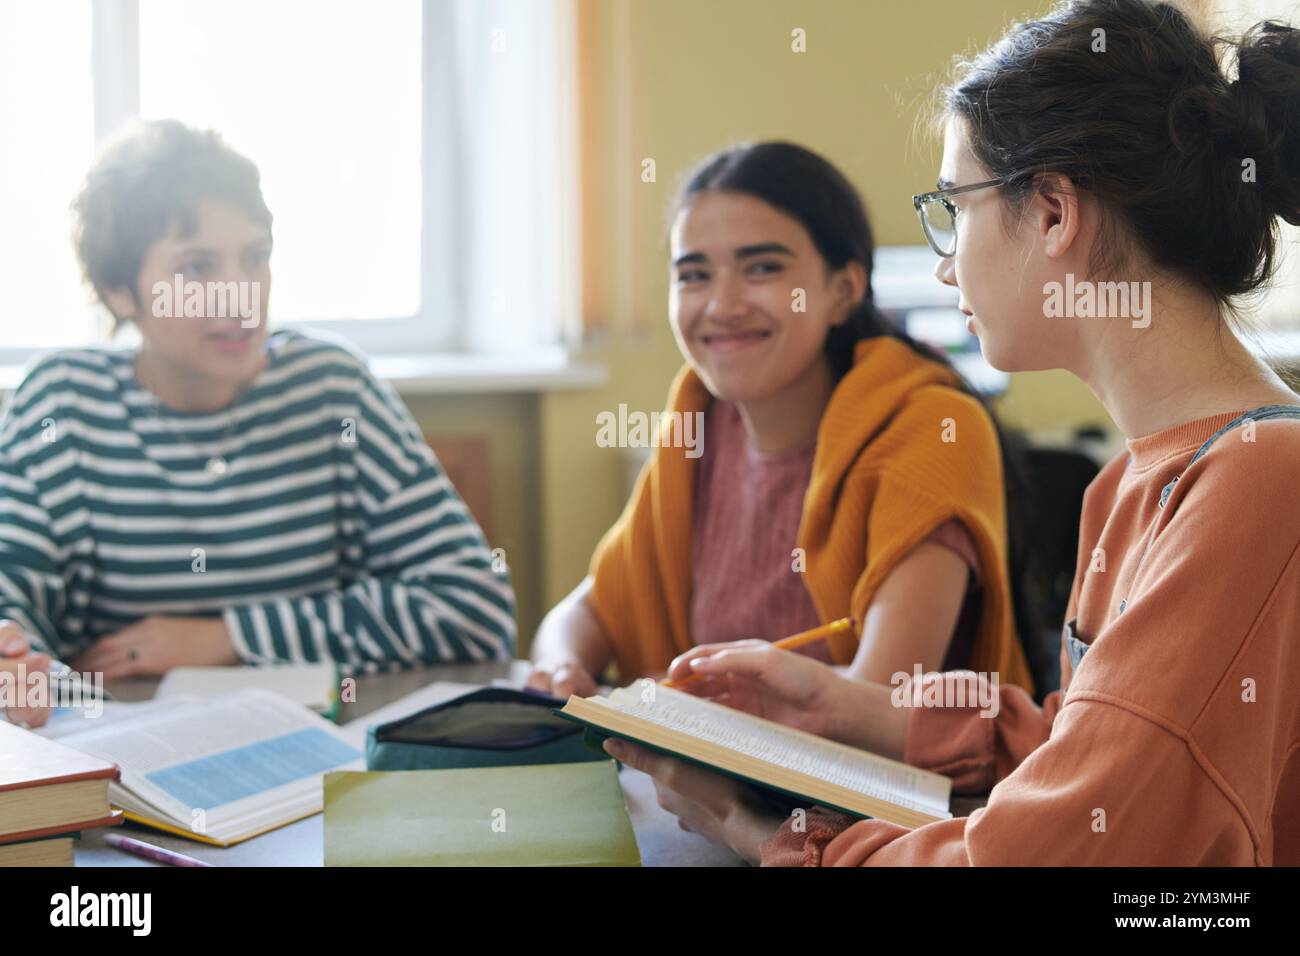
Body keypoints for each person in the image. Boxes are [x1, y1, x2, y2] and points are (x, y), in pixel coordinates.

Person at [606, 0, 1300, 866]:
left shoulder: (1257, 485)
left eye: (953, 207)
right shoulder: (1132, 483)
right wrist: (842, 709)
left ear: (1053, 213)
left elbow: (1043, 853)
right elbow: (1102, 756)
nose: (945, 261)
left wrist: (767, 836)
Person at [0, 120, 516, 729]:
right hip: (125, 770)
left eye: (255, 257)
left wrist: (226, 637)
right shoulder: (62, 405)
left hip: (322, 761)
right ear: (119, 289)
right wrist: (17, 658)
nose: (241, 294)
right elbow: (11, 605)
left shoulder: (332, 389)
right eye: (196, 268)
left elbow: (475, 606)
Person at [530, 142, 1037, 698]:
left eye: (762, 268)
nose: (722, 304)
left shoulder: (934, 425)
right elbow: (587, 612)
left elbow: (877, 698)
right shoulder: (702, 422)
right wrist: (563, 668)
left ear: (843, 290)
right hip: (708, 771)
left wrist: (683, 700)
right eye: (693, 275)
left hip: (878, 783)